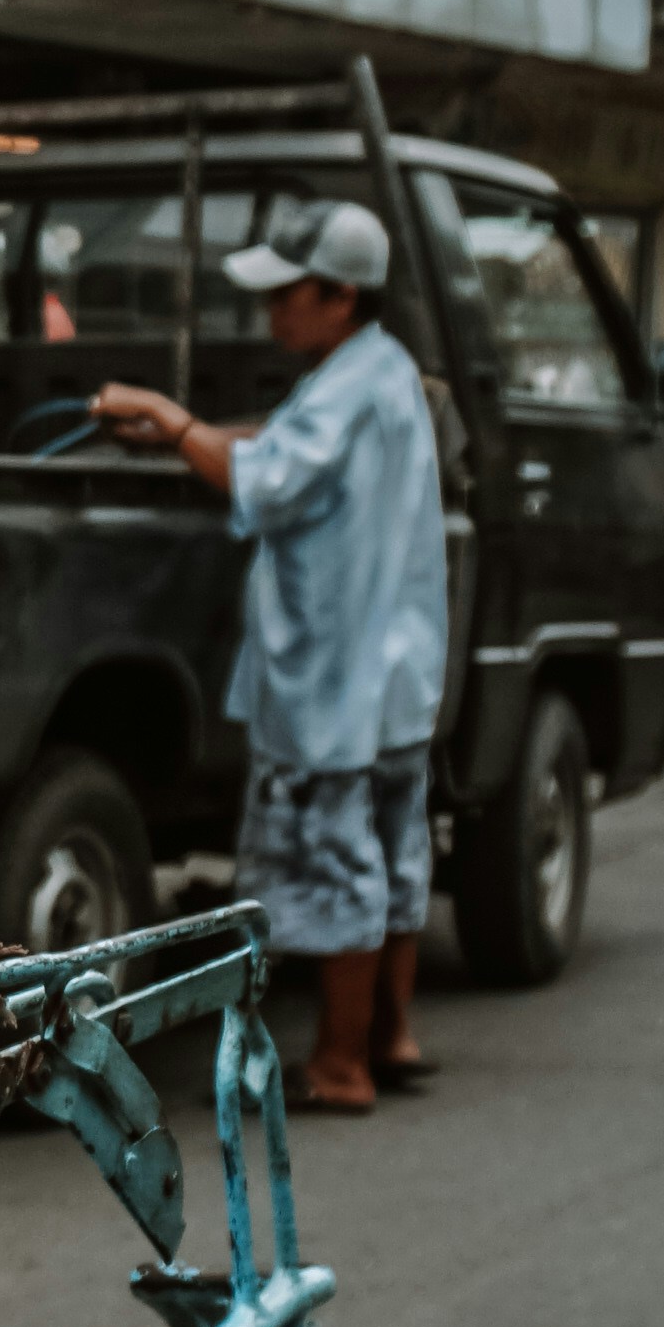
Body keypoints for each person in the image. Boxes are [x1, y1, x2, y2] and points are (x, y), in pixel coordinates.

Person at [94, 199, 451, 1112]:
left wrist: (175, 424)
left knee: (339, 861)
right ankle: (391, 1034)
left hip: (337, 672)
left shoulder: (346, 382)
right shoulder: (381, 369)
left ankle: (340, 1065)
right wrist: (195, 435)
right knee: (395, 848)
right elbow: (289, 443)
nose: (271, 313)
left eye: (287, 296)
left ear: (341, 294)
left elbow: (270, 476)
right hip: (395, 672)